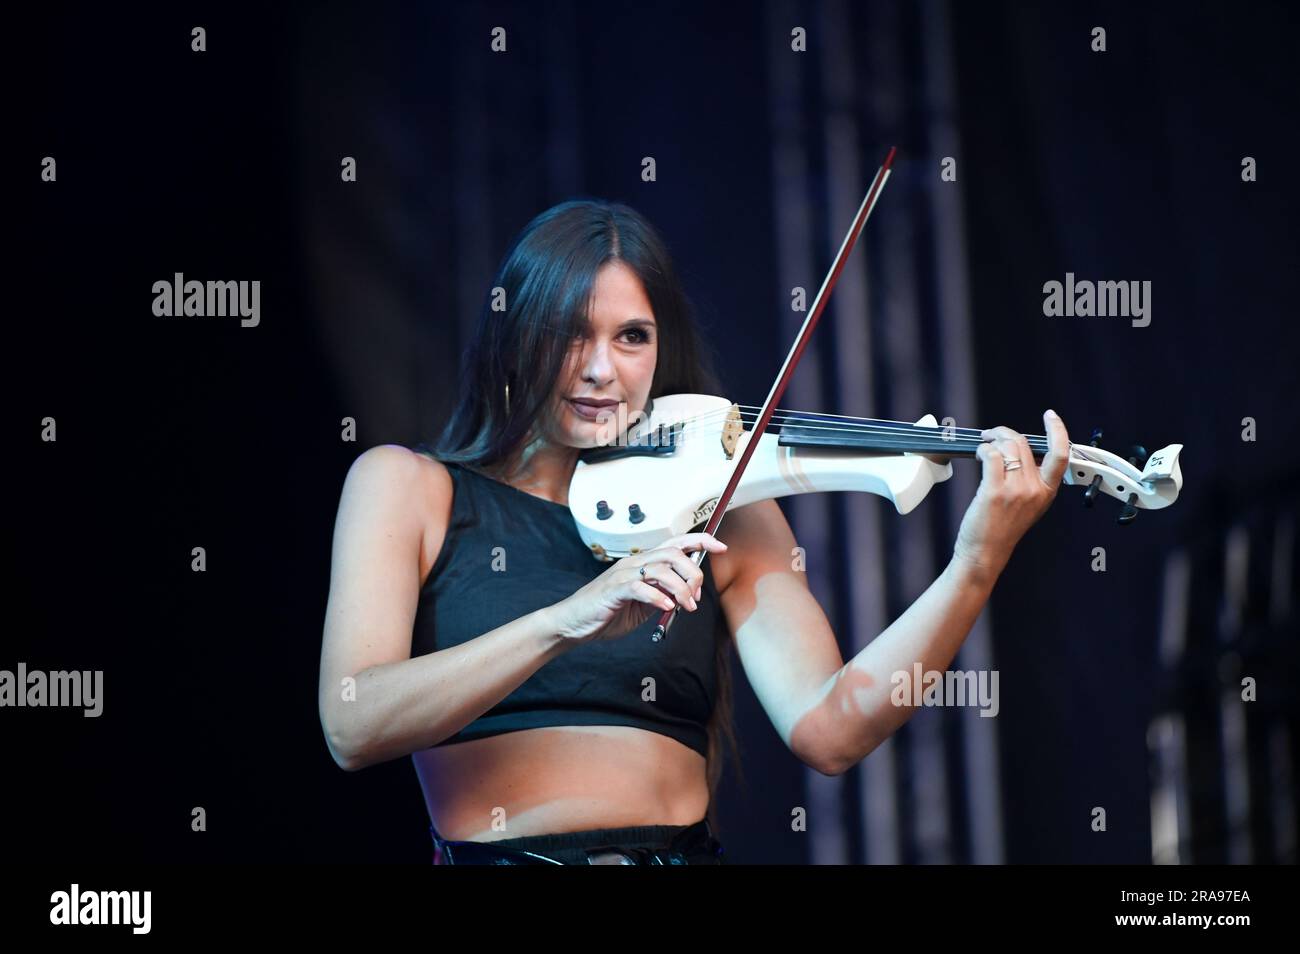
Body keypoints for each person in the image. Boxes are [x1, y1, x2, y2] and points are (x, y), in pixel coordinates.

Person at [317, 199, 1070, 864]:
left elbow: (831, 730)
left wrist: (977, 560)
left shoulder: (719, 505)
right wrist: (565, 621)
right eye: (571, 334)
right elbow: (353, 722)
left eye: (633, 337)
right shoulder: (408, 488)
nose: (602, 370)